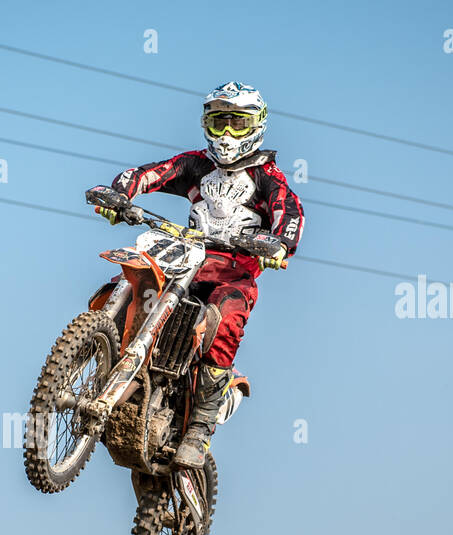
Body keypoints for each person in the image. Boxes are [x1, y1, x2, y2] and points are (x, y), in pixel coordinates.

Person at [92, 81, 305, 468]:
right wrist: (119, 195)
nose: (225, 133)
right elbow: (151, 173)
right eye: (218, 121)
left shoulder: (268, 178)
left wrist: (279, 244)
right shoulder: (196, 165)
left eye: (236, 124)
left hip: (232, 273)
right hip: (184, 259)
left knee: (226, 318)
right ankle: (95, 354)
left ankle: (200, 428)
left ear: (255, 126)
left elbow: (290, 212)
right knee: (129, 280)